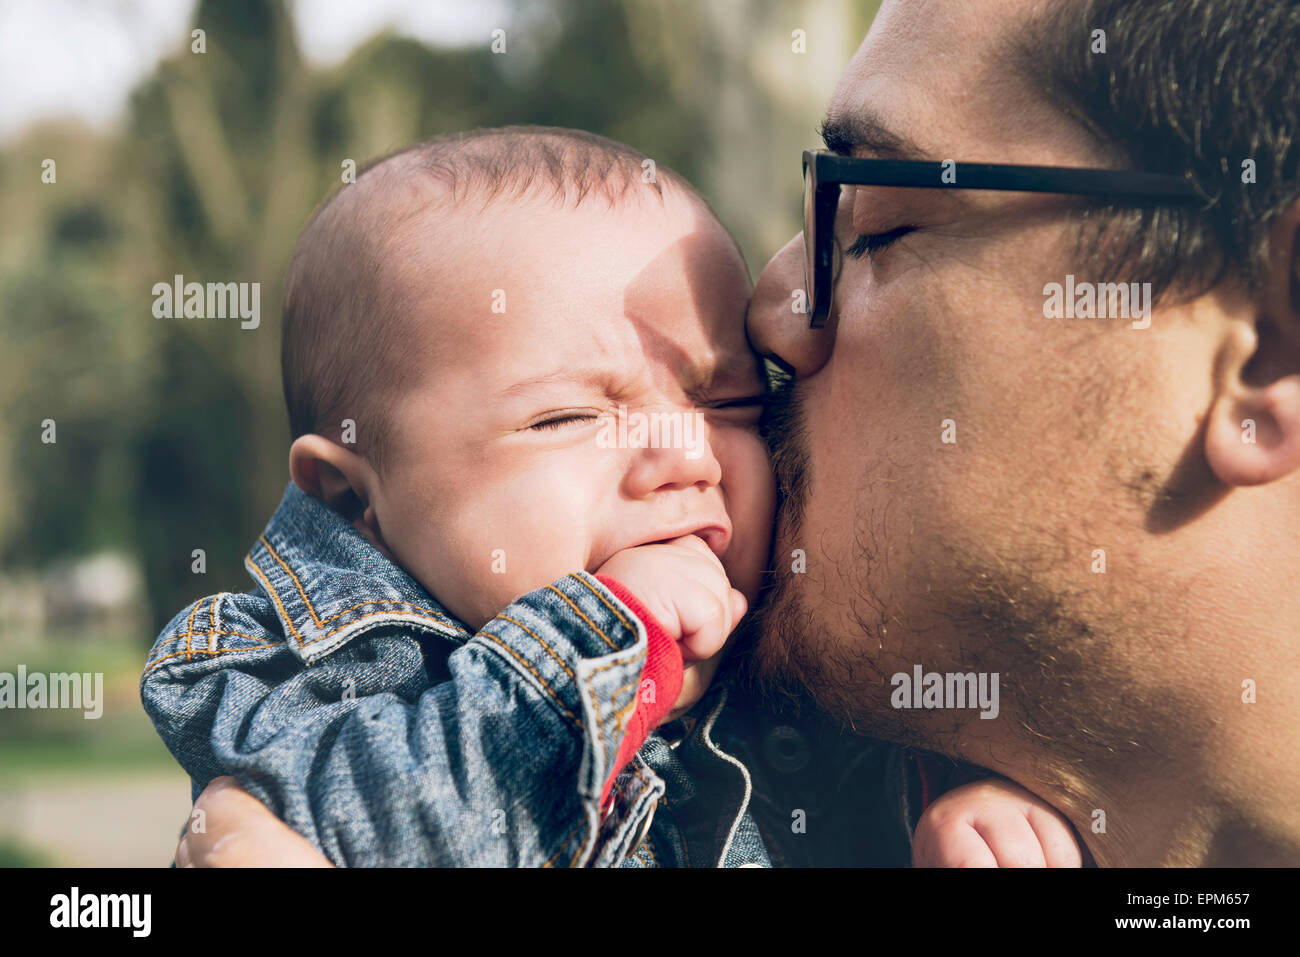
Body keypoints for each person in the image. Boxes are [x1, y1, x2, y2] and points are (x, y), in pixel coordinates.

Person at [145, 123, 1081, 867]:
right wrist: (603, 634)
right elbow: (378, 837)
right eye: (566, 419)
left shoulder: (798, 650)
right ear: (355, 501)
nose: (683, 454)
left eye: (730, 402)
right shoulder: (304, 681)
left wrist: (954, 794)